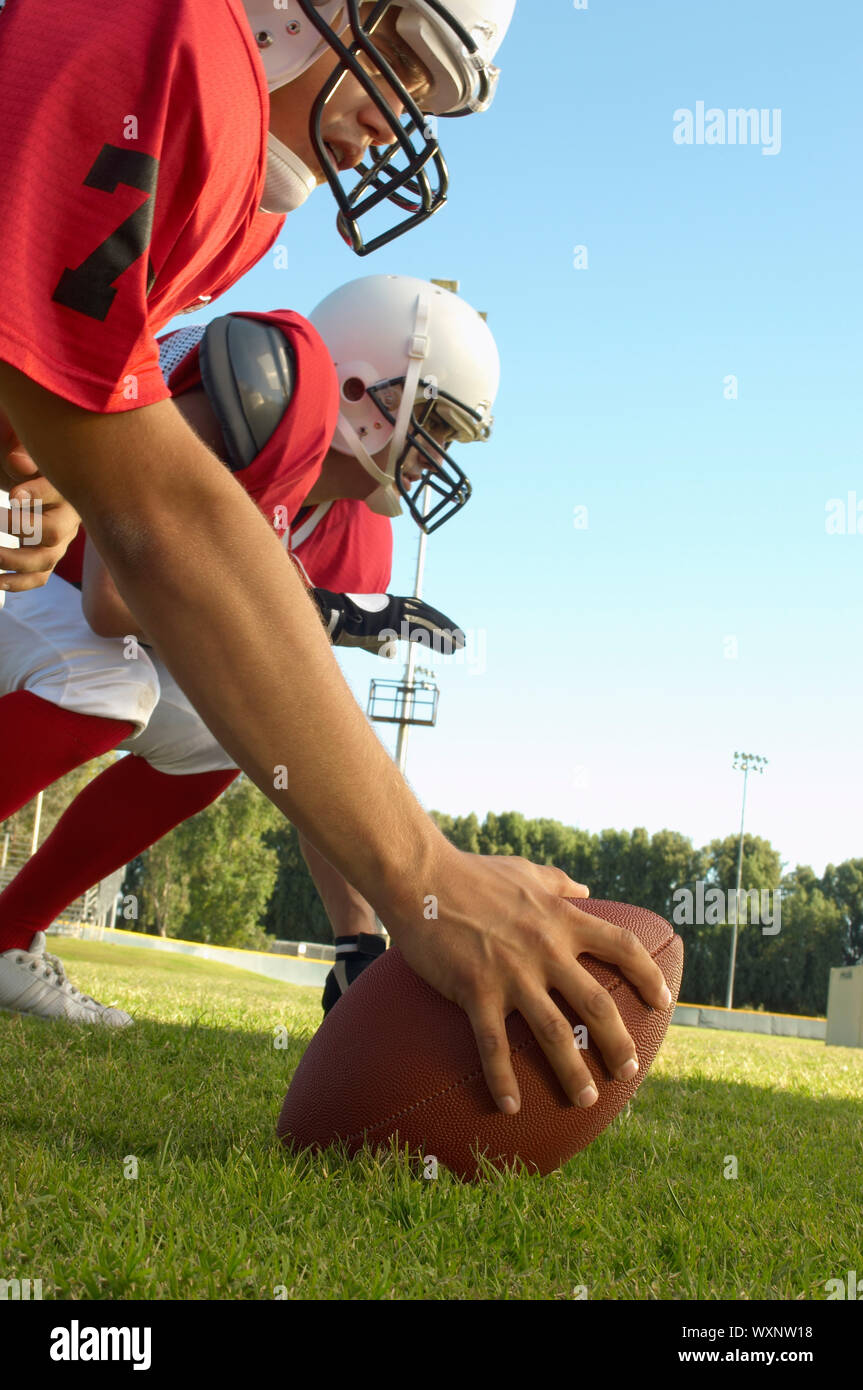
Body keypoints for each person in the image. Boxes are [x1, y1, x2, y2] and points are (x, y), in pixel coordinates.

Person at [0, 1, 671, 1117]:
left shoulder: (237, 213)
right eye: (403, 59)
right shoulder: (176, 53)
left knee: (222, 722)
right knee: (115, 676)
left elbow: (283, 709)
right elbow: (150, 543)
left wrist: (40, 485)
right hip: (70, 627)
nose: (400, 116)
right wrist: (427, 877)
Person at [0, 276, 493, 1021]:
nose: (437, 453)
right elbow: (110, 602)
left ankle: (9, 937)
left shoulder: (357, 535)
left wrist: (355, 939)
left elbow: (303, 725)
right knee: (109, 682)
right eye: (434, 421)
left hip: (63, 611)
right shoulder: (268, 391)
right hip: (28, 556)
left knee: (221, 736)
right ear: (358, 383)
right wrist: (318, 611)